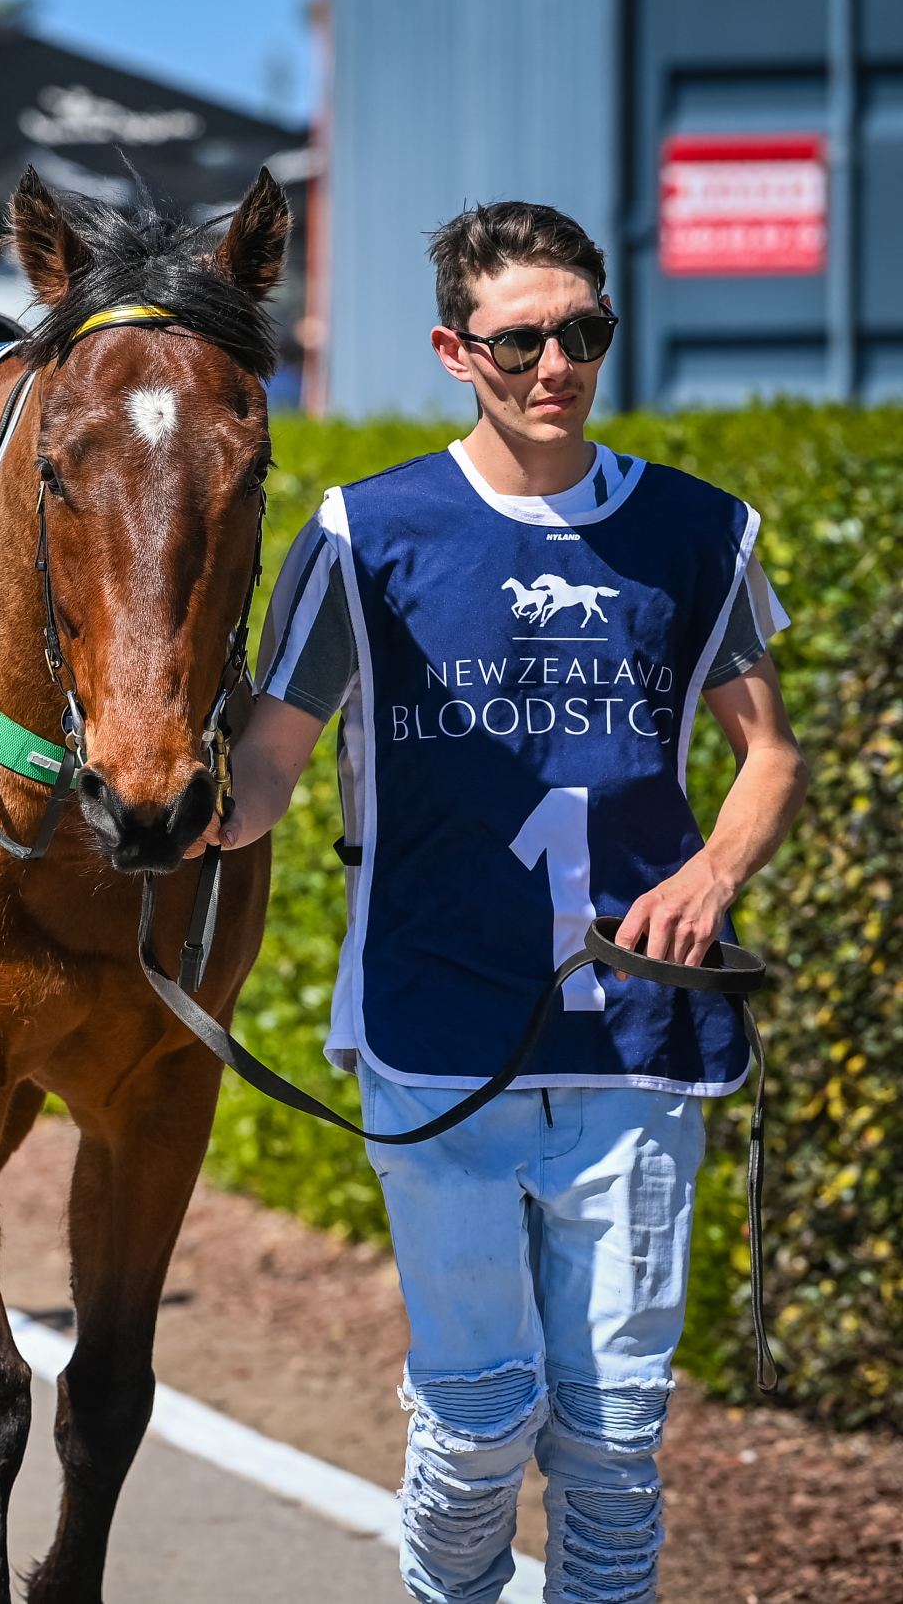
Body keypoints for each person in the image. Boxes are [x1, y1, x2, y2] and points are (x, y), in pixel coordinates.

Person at [198, 202, 807, 1603]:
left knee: (613, 1442)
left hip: (638, 1043)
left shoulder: (697, 530)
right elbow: (268, 770)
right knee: (475, 1432)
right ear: (452, 350)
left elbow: (768, 756)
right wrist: (168, 812)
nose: (556, 365)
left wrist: (710, 873)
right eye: (522, 339)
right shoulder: (363, 533)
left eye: (583, 332)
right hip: (435, 1037)